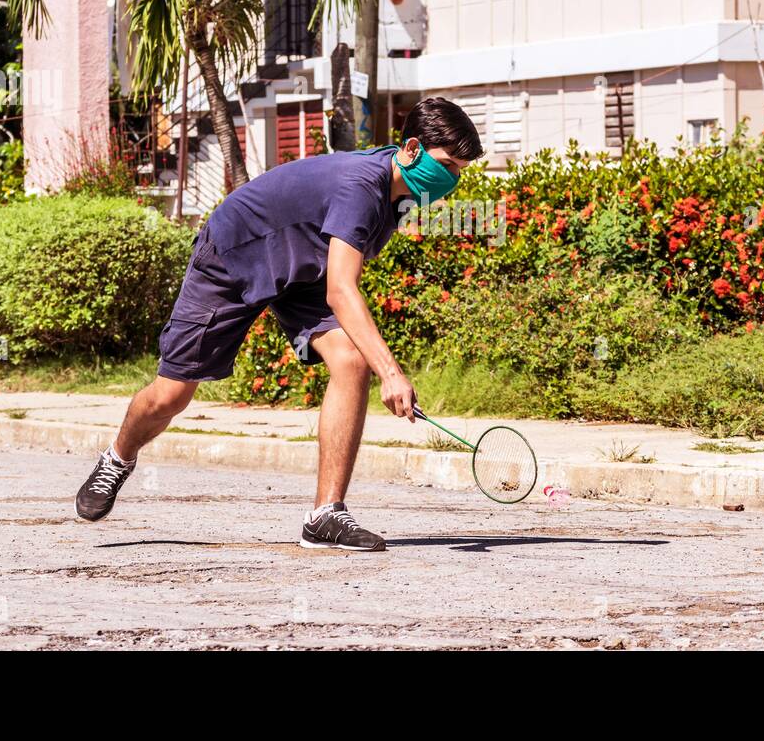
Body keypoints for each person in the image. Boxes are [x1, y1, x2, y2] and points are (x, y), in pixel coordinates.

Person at [75, 97, 483, 551]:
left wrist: (374, 360)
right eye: (448, 165)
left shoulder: (399, 193)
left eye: (460, 171)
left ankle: (326, 516)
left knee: (350, 361)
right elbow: (342, 291)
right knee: (171, 394)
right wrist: (392, 373)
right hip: (235, 256)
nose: (451, 179)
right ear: (411, 148)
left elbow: (337, 278)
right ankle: (117, 458)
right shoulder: (363, 187)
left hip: (301, 272)